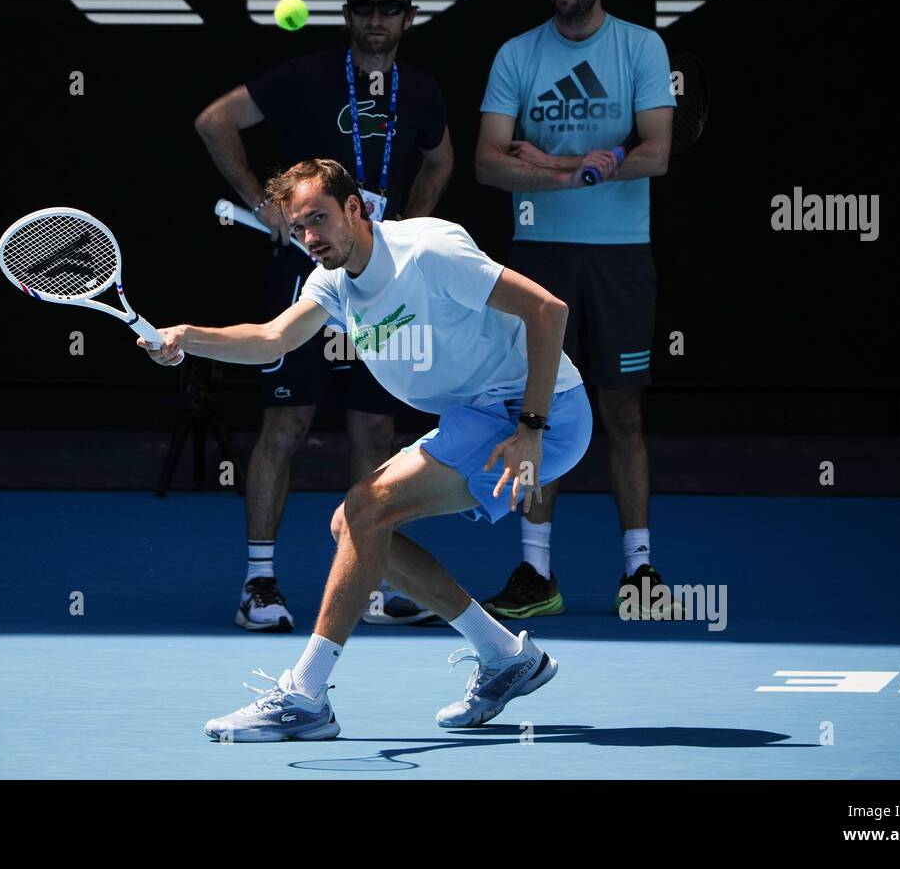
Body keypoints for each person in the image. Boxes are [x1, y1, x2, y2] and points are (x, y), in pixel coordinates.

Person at [139, 158, 593, 740]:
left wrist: (531, 427)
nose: (309, 237)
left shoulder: (429, 251)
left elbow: (548, 310)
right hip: (478, 414)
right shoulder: (330, 282)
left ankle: (304, 695)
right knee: (351, 525)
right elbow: (273, 339)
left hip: (540, 410)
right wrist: (187, 337)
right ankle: (505, 656)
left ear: (355, 208)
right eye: (298, 226)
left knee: (366, 506)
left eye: (320, 219)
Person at [194, 0, 454, 632]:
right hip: (308, 274)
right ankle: (259, 584)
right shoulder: (304, 76)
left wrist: (410, 227)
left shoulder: (420, 91)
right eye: (365, 8)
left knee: (376, 426)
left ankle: (372, 580)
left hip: (381, 281)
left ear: (407, 18)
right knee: (288, 424)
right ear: (349, 15)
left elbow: (440, 158)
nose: (376, 20)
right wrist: (264, 202)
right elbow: (213, 121)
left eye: (389, 9)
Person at [474, 0, 677, 619]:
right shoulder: (517, 55)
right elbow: (490, 162)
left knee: (622, 412)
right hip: (539, 257)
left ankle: (640, 572)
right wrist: (573, 172)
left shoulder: (641, 48)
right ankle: (536, 573)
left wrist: (562, 161)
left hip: (621, 257)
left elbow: (657, 151)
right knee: (539, 411)